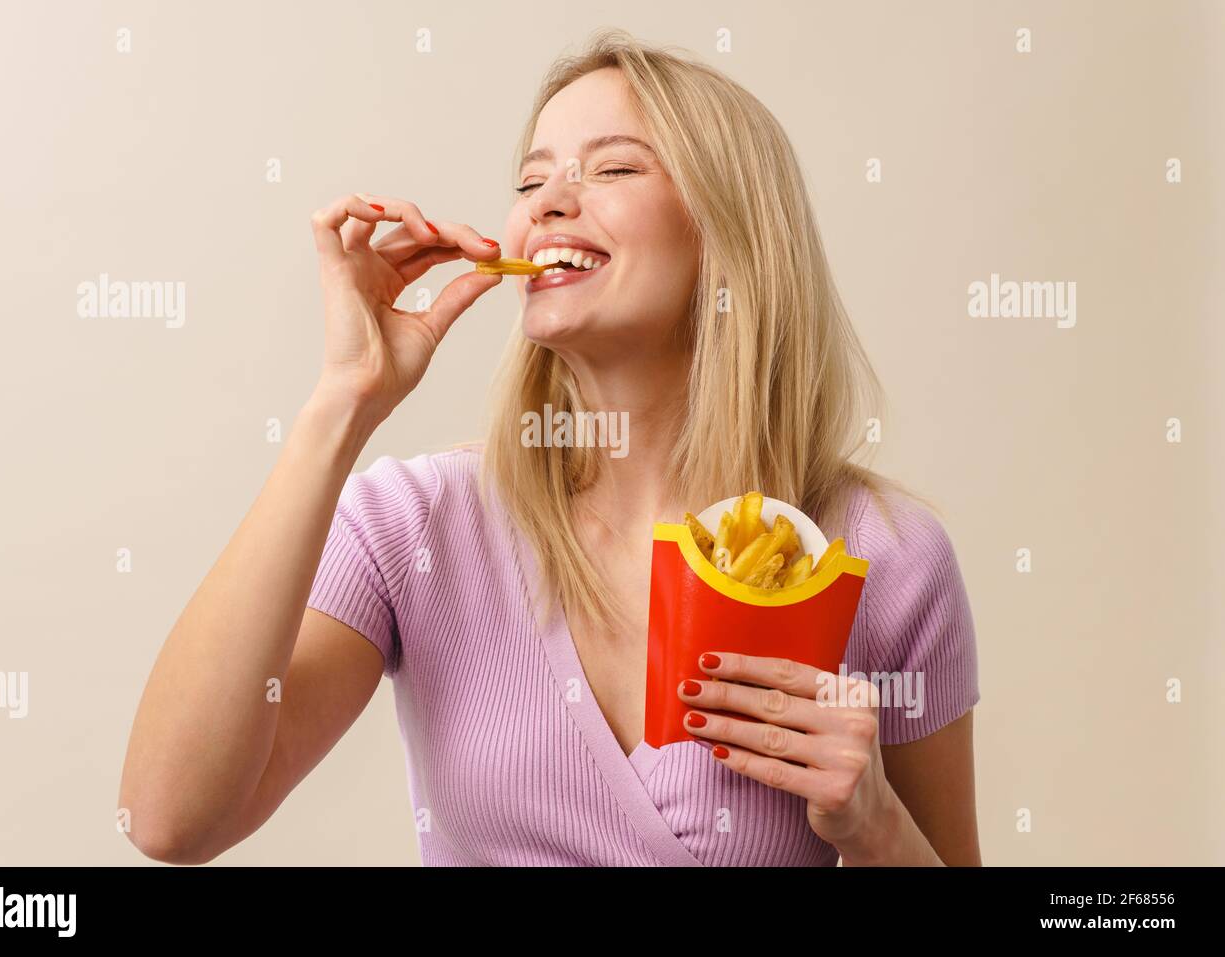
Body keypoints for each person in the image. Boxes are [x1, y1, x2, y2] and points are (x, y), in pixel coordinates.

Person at [119, 29, 980, 866]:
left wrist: (874, 828)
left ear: (731, 236)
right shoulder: (414, 523)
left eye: (611, 168)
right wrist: (342, 401)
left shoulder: (884, 558)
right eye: (532, 180)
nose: (547, 203)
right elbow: (170, 818)